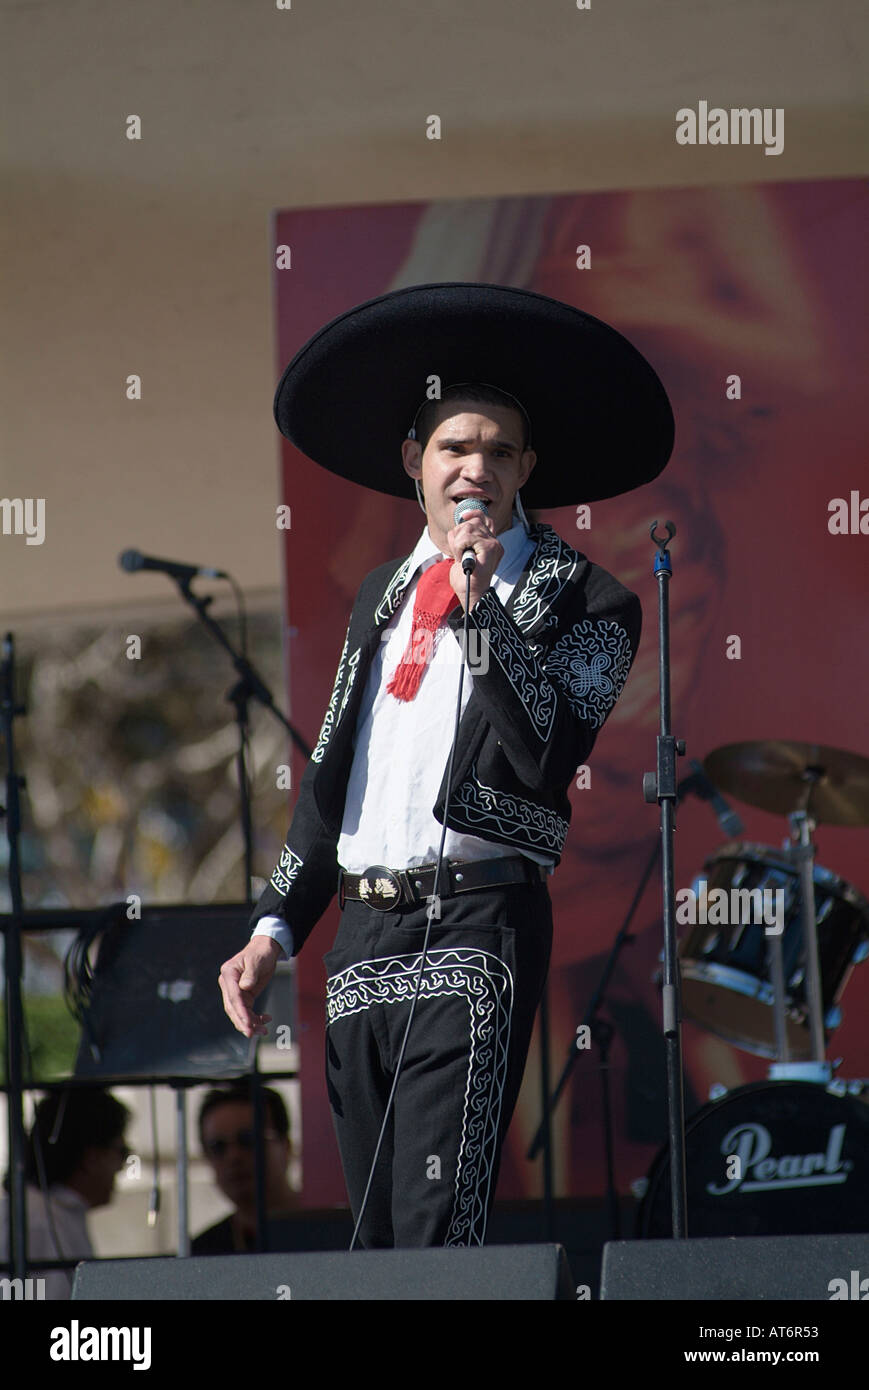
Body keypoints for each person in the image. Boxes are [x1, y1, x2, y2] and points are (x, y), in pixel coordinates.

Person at [219, 282, 673, 1247]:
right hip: (362, 941)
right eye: (455, 448)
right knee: (377, 1237)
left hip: (478, 920)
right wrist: (273, 928)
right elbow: (335, 777)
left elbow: (547, 751)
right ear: (412, 465)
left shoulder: (589, 601)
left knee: (433, 1231)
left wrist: (483, 611)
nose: (477, 468)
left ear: (527, 469)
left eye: (499, 451)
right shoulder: (380, 595)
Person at [0, 1087, 130, 1298]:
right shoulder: (36, 1220)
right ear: (91, 1157)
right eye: (122, 1152)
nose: (121, 1167)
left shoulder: (55, 1214)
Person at [191, 1083, 298, 1254]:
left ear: (286, 1147)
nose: (234, 1157)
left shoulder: (332, 1232)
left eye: (248, 1140)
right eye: (218, 1147)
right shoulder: (201, 1252)